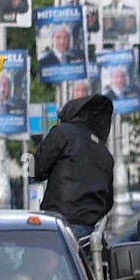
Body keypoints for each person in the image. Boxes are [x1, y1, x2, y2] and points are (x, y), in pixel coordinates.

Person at [33, 93, 115, 241]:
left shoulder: (62, 133)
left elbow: (35, 170)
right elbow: (108, 200)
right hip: (90, 231)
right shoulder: (105, 153)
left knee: (36, 262)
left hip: (60, 223)